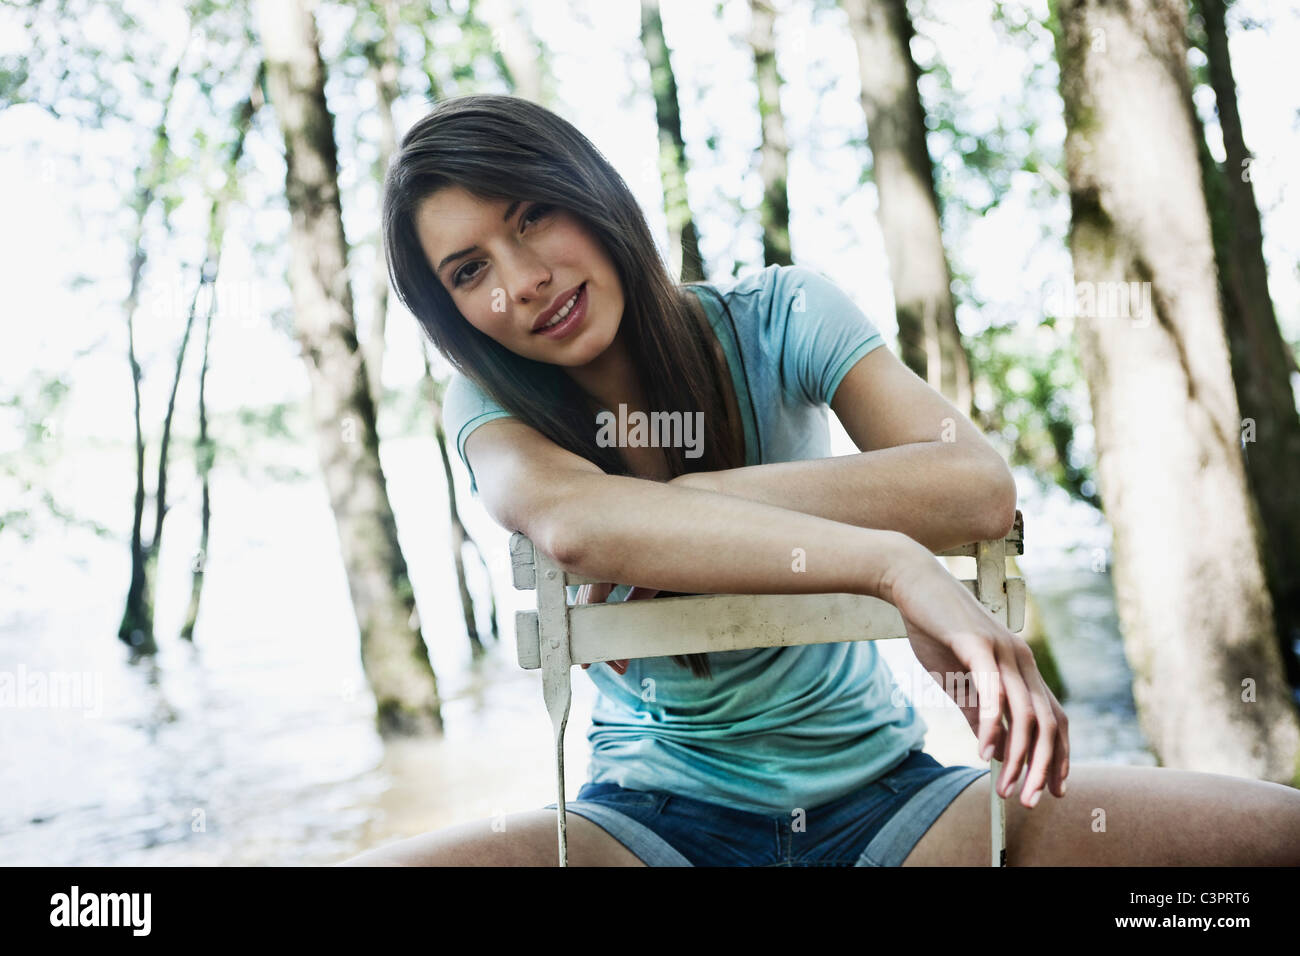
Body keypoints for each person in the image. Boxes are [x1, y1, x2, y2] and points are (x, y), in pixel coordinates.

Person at [337, 94, 1300, 866]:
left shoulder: (784, 314)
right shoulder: (487, 404)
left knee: (1274, 834)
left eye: (532, 216)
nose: (523, 280)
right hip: (644, 826)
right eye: (469, 270)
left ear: (590, 191)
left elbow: (973, 482)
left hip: (896, 805)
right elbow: (574, 527)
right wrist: (888, 563)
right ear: (450, 309)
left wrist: (667, 518)